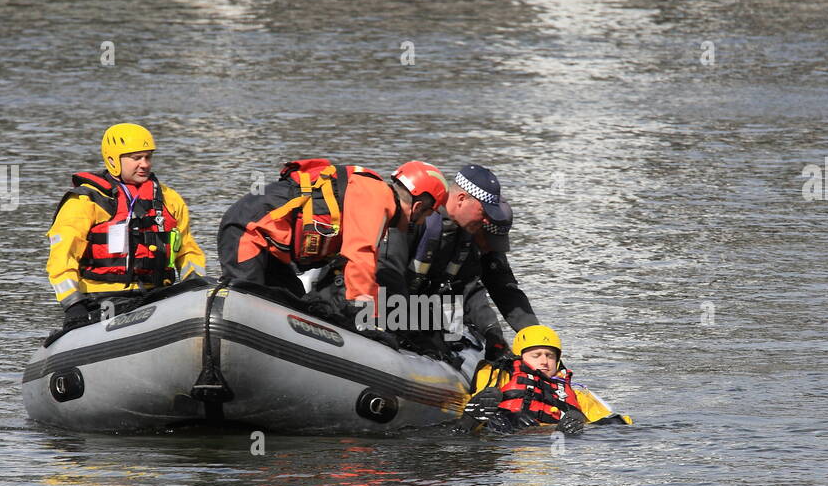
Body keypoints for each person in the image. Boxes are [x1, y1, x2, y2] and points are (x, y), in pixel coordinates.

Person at [46, 124, 205, 329]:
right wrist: (73, 304)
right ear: (113, 160)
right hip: (103, 301)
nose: (145, 164)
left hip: (158, 298)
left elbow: (188, 251)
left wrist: (194, 283)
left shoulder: (169, 199)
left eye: (148, 157)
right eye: (136, 158)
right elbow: (62, 257)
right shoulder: (87, 201)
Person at [217, 159, 397, 330]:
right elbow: (360, 255)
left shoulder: (367, 195)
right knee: (248, 306)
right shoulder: (377, 194)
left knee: (297, 310)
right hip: (248, 229)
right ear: (418, 206)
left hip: (272, 247)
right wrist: (367, 319)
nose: (421, 223)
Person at [402, 165, 540, 363]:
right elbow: (387, 274)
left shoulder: (468, 236)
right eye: (482, 217)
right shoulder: (421, 221)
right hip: (398, 306)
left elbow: (482, 290)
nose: (488, 249)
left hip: (434, 309)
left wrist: (534, 339)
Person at [462, 325, 630, 435]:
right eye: (536, 355)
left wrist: (576, 427)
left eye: (550, 356)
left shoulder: (576, 393)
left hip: (552, 439)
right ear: (520, 357)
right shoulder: (500, 377)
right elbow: (479, 401)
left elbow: (616, 423)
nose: (544, 361)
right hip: (507, 438)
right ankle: (468, 425)